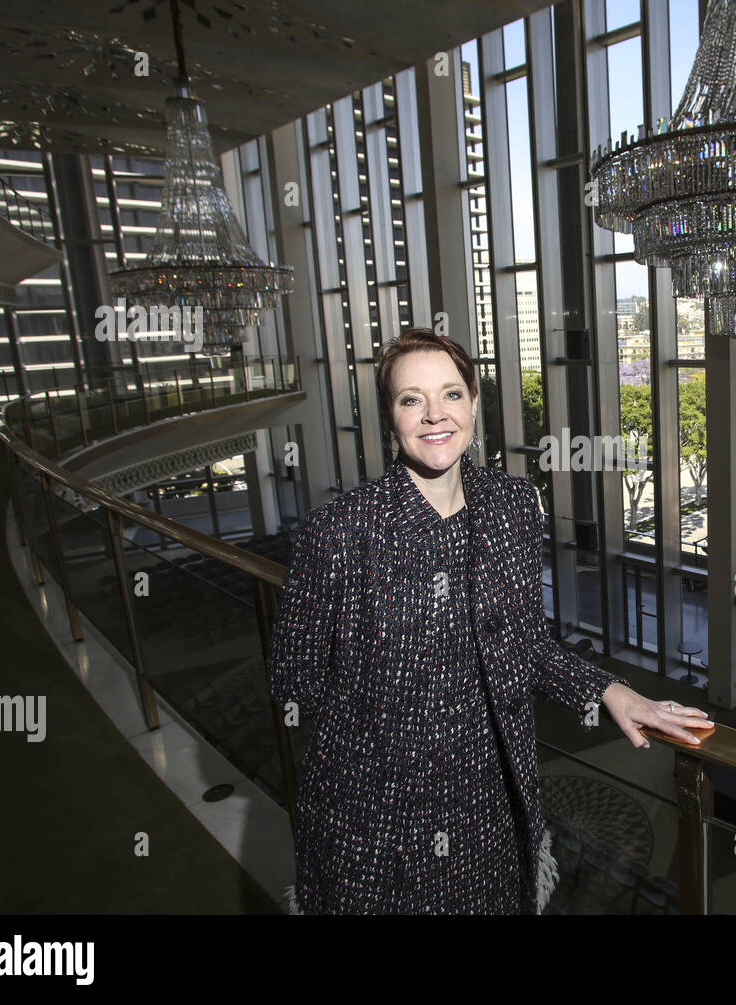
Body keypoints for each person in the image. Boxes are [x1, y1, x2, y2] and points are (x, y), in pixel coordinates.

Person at [268, 328, 713, 914]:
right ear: (389, 416)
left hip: (490, 807)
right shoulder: (340, 532)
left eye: (451, 395)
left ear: (474, 404)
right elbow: (292, 681)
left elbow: (525, 643)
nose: (434, 415)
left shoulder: (511, 505)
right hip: (376, 826)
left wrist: (612, 691)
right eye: (411, 399)